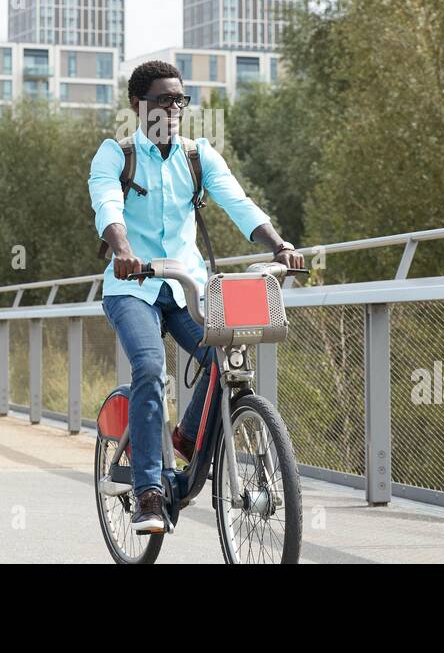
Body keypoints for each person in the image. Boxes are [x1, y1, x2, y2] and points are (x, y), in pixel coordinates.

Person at [88, 60, 303, 535]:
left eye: (180, 100)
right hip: (133, 288)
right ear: (137, 105)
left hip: (187, 288)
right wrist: (122, 250)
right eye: (163, 99)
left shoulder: (197, 156)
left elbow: (237, 201)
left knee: (226, 353)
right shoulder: (115, 155)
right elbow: (107, 202)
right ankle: (147, 492)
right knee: (149, 367)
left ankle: (185, 436)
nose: (173, 108)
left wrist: (279, 246)